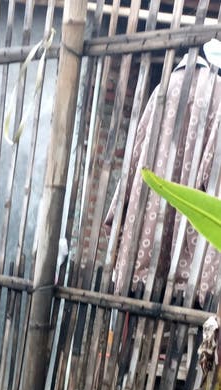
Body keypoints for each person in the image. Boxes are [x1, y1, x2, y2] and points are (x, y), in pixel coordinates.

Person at [105, 40, 221, 307]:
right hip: (190, 255)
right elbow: (212, 180)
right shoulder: (219, 95)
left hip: (144, 235)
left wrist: (118, 214)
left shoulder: (163, 89)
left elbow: (134, 159)